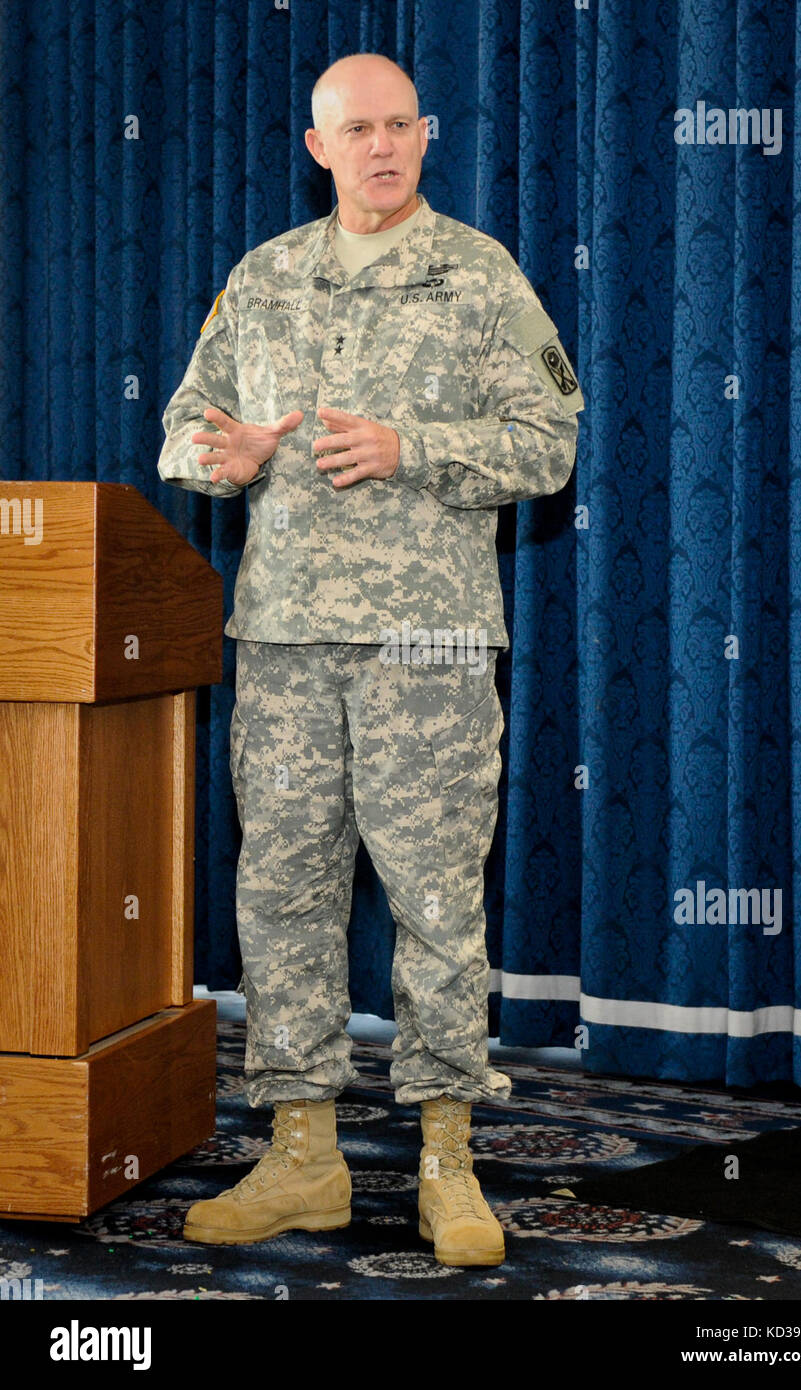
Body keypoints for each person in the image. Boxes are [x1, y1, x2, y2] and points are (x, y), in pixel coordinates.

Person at [157, 52, 584, 1268]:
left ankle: (448, 1158)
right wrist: (219, 456)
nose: (382, 146)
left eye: (400, 125)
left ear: (425, 135)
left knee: (435, 896)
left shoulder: (479, 275)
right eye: (358, 129)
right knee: (281, 892)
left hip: (429, 641)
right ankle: (302, 1157)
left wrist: (411, 449)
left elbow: (547, 440)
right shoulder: (264, 279)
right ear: (317, 145)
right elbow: (185, 425)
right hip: (285, 637)